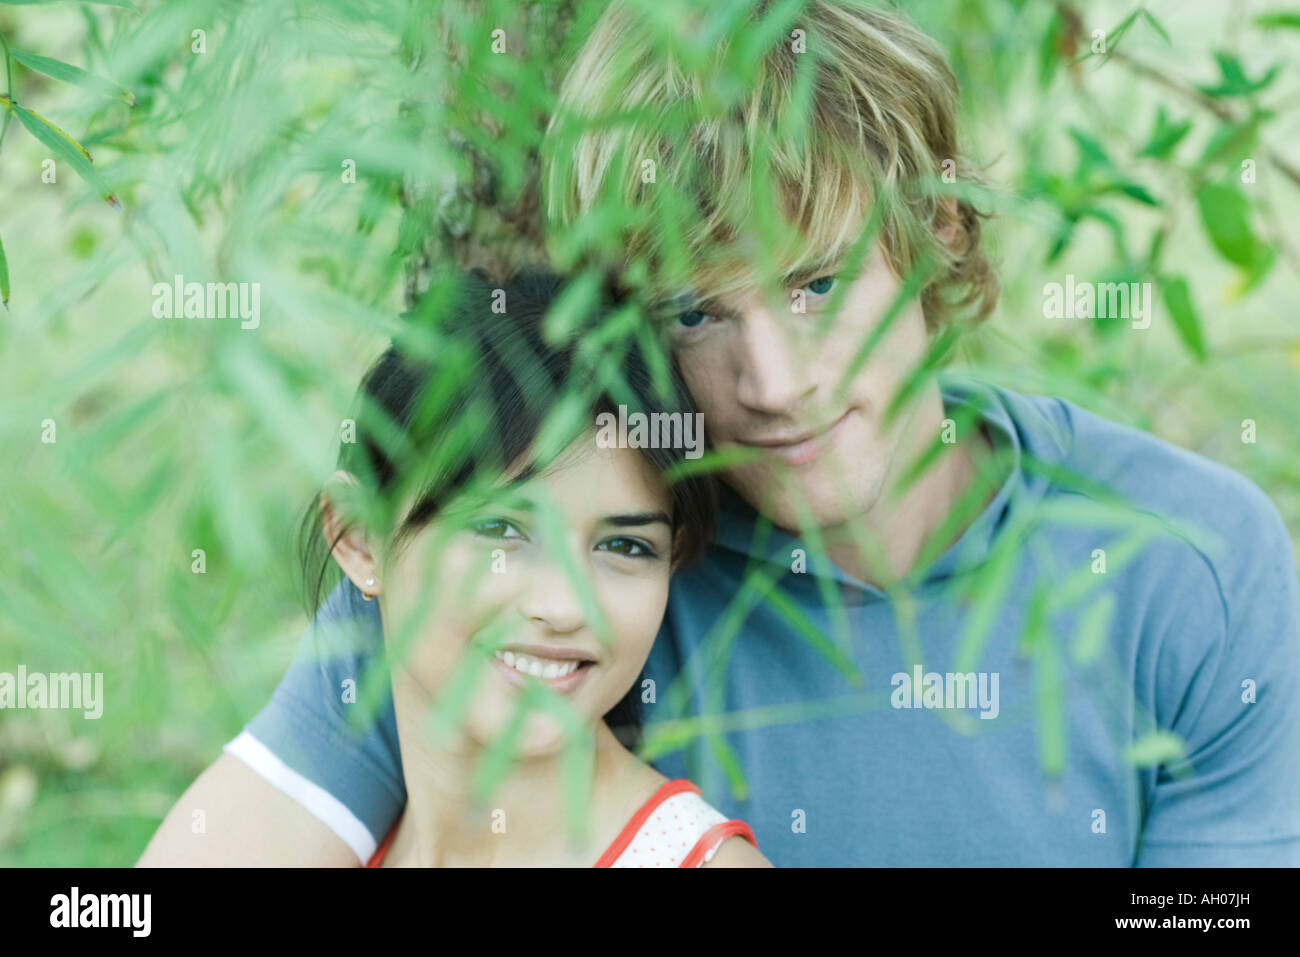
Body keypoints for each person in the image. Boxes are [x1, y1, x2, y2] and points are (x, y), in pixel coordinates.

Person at [140, 1, 1300, 867]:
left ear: (939, 229)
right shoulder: (547, 546)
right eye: (695, 310)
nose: (775, 383)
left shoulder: (1185, 565)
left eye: (816, 284)